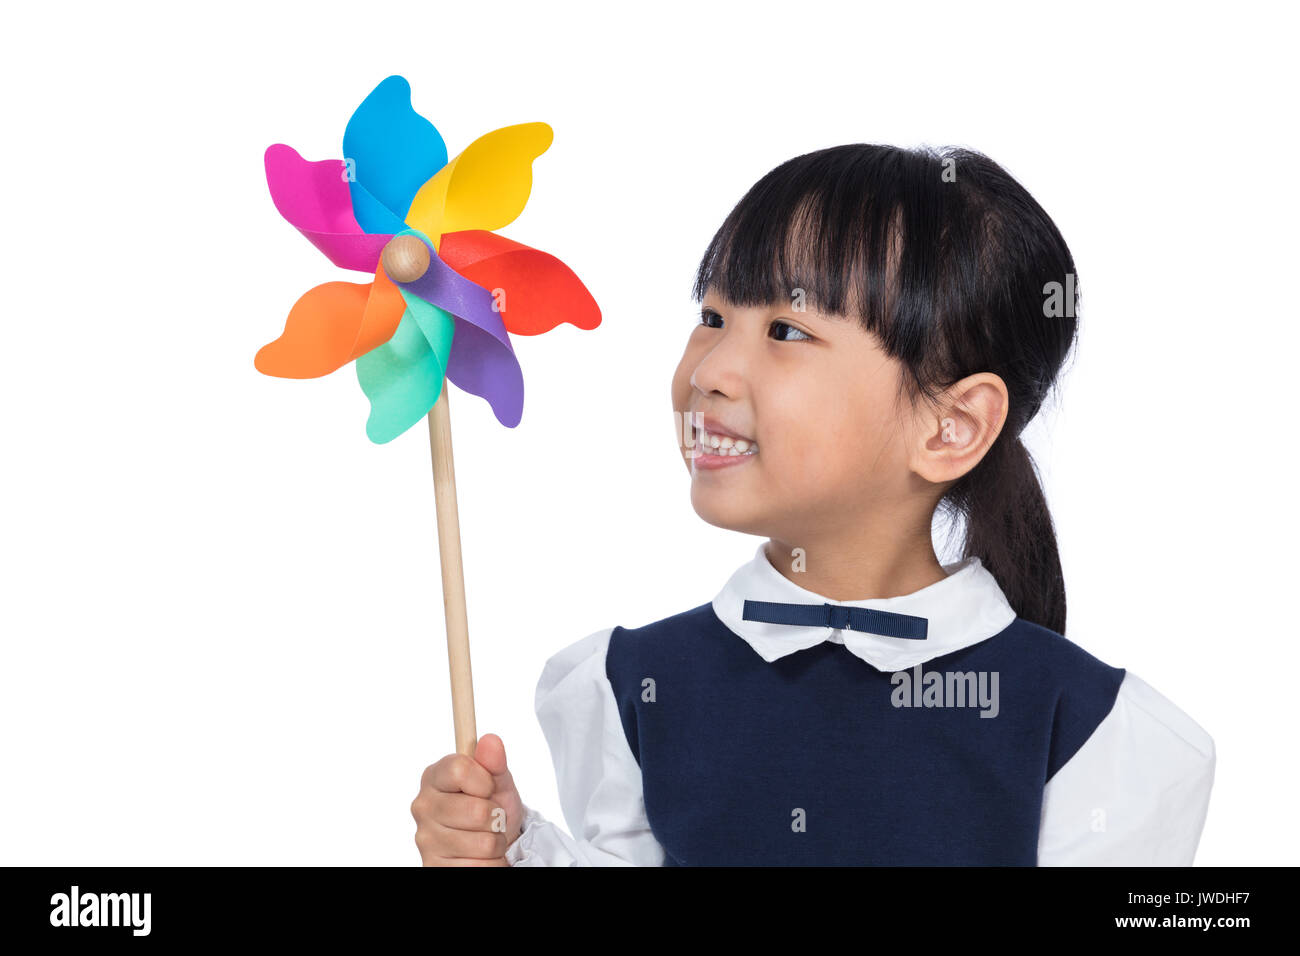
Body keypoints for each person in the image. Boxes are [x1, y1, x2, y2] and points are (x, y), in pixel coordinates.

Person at [410, 143, 1216, 866]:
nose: (711, 369)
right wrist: (507, 853)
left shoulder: (1095, 735)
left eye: (787, 330)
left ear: (951, 426)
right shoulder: (632, 686)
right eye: (713, 315)